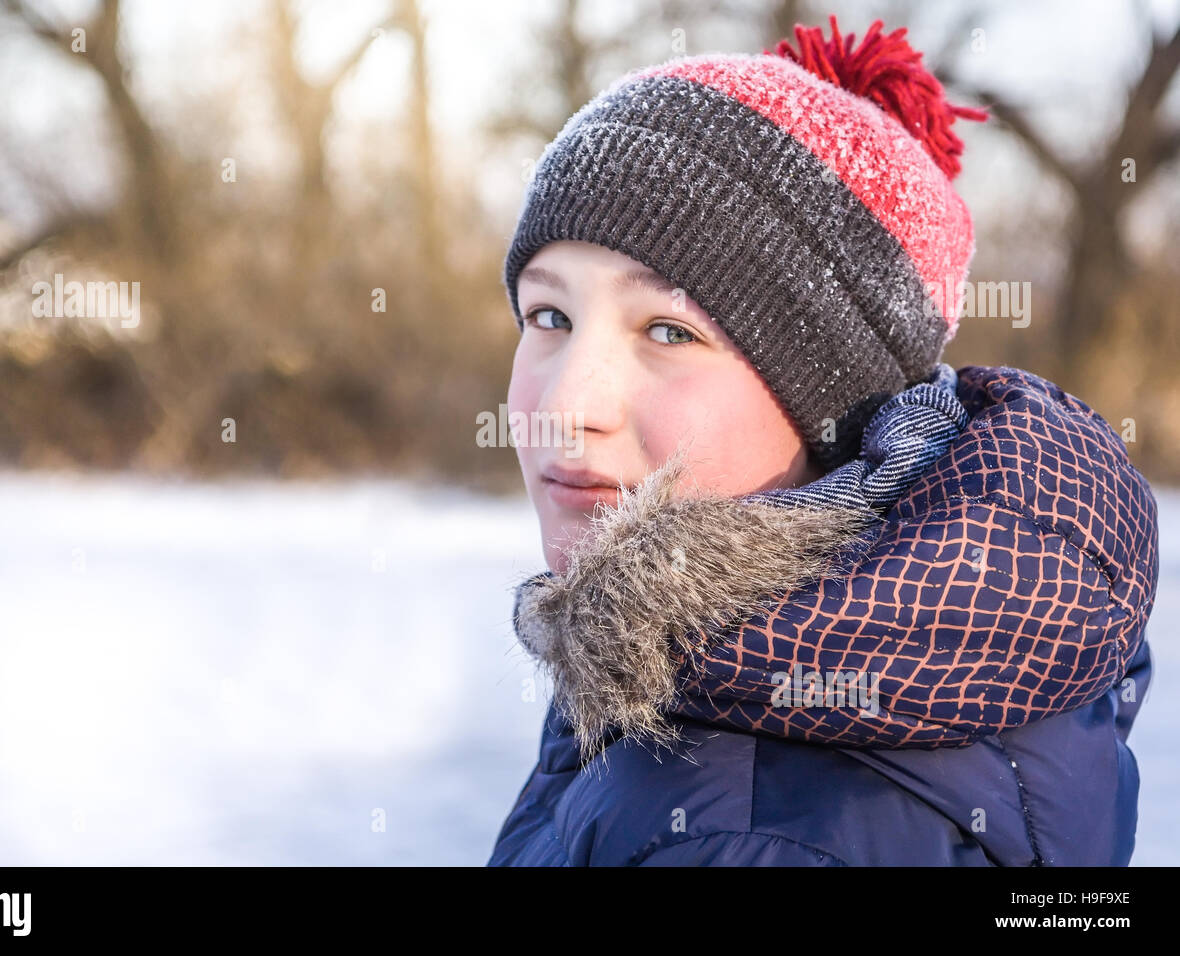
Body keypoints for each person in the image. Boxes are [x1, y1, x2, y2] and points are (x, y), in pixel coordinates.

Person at [486, 17, 1159, 866]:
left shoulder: (751, 836)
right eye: (550, 315)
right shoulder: (692, 680)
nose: (567, 404)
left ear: (832, 409)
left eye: (668, 330)